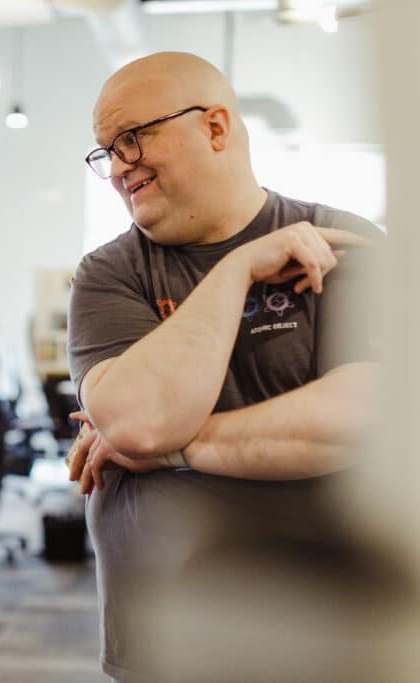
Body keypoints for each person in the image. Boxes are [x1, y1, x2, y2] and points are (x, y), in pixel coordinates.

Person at [66, 52, 381, 680]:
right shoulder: (108, 275)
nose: (119, 168)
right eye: (107, 152)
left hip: (319, 631)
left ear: (215, 128)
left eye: (132, 138)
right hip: (158, 644)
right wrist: (239, 268)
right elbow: (139, 419)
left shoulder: (344, 243)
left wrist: (176, 448)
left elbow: (364, 418)